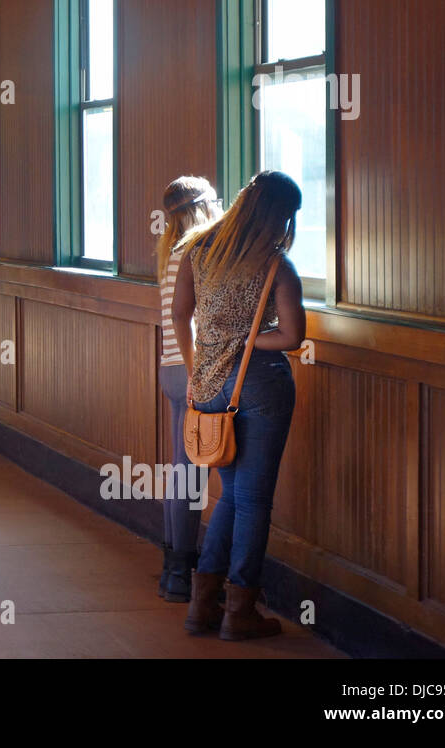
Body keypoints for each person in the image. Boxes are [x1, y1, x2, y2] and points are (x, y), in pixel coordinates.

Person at [172, 170, 306, 641]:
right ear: (280, 216)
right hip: (261, 385)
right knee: (253, 501)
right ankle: (239, 611)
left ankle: (201, 606)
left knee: (231, 495)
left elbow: (180, 314)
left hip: (209, 384)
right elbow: (292, 336)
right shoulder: (275, 266)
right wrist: (248, 338)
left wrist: (199, 367)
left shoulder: (201, 250)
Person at [153, 177, 223, 603]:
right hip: (193, 370)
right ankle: (182, 576)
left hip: (170, 371)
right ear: (204, 208)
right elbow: (190, 321)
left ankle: (171, 571)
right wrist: (201, 374)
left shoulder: (170, 253)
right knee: (190, 478)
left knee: (181, 472)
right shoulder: (200, 252)